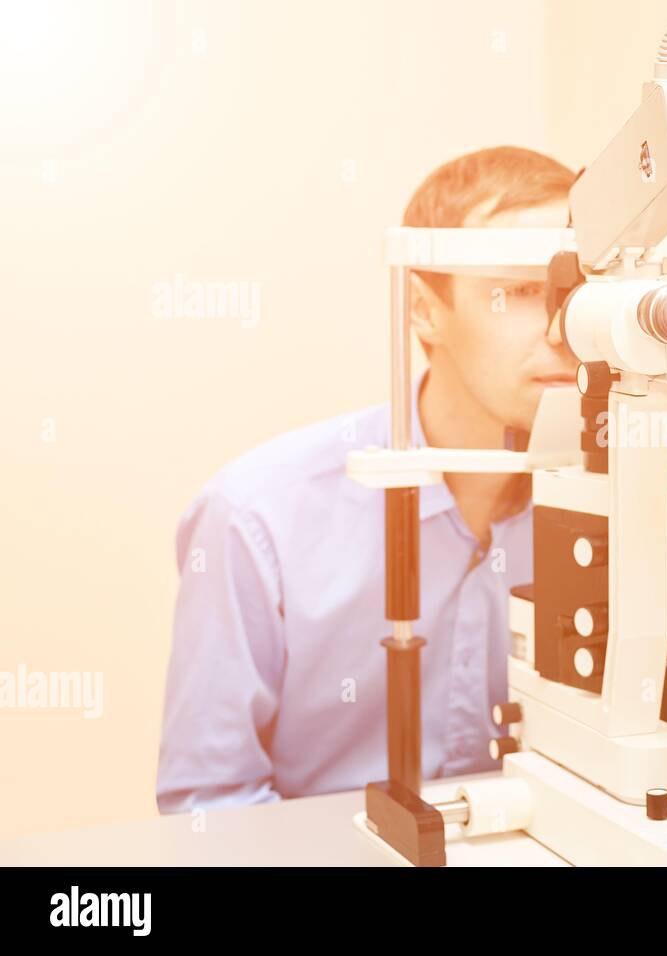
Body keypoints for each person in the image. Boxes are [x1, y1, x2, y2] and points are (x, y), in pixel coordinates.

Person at [157, 146, 579, 811]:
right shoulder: (256, 517)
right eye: (521, 290)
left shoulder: (607, 500)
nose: (564, 330)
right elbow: (208, 806)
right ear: (423, 309)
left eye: (576, 291)